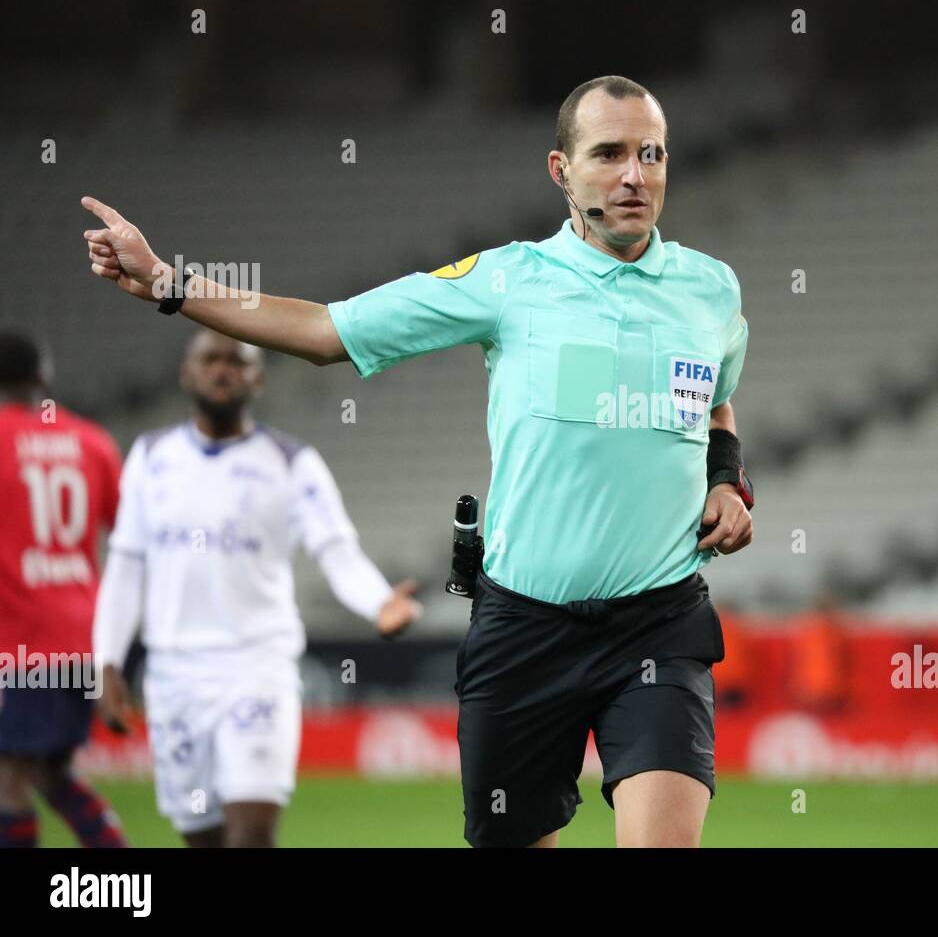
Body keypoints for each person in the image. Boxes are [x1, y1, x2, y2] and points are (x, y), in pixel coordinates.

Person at [80, 73, 753, 847]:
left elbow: (716, 404)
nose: (636, 175)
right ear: (561, 171)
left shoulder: (711, 291)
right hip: (524, 629)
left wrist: (726, 478)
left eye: (652, 153)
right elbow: (328, 332)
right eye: (609, 154)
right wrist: (169, 283)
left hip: (657, 625)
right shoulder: (507, 282)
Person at [91, 329, 421, 846]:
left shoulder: (291, 463)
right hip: (173, 676)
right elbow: (126, 569)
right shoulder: (150, 458)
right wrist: (107, 662)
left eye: (236, 361)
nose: (222, 370)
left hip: (256, 668)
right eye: (210, 360)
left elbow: (337, 552)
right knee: (203, 835)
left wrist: (379, 601)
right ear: (187, 374)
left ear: (258, 378)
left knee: (252, 831)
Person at [0, 330, 127, 847]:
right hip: (83, 638)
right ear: (43, 377)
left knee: (9, 778)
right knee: (49, 772)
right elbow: (130, 536)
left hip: (19, 642)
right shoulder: (91, 441)